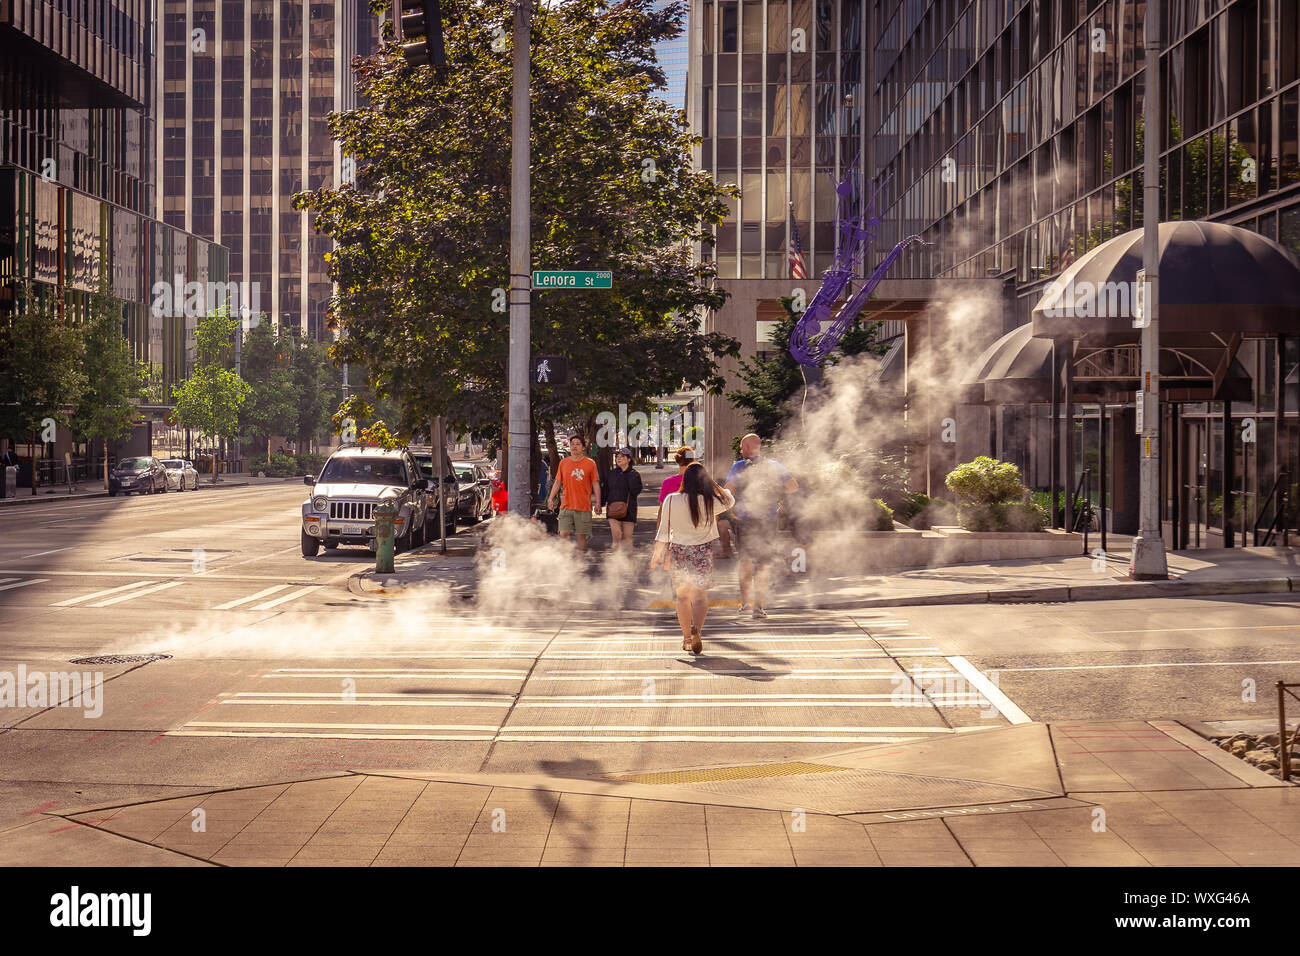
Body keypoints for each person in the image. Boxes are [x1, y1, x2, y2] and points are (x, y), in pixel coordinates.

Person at [651, 461, 734, 654]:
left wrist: (656, 553)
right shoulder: (710, 502)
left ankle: (687, 638)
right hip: (702, 553)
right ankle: (697, 629)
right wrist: (713, 484)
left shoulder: (671, 499)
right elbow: (729, 500)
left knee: (682, 597)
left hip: (679, 552)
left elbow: (663, 531)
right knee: (700, 597)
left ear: (684, 480)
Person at [725, 433, 798, 620]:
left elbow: (729, 490)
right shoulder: (774, 465)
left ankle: (745, 604)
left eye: (742, 447)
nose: (741, 450)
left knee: (745, 561)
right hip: (768, 520)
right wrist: (777, 491)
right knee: (763, 564)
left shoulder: (738, 466)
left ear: (748, 447)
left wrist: (730, 511)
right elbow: (793, 487)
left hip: (745, 520)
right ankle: (758, 606)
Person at [546, 434, 601, 552]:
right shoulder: (563, 463)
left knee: (581, 536)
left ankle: (581, 560)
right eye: (572, 444)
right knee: (564, 533)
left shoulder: (590, 463)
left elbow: (595, 484)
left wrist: (598, 503)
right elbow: (557, 482)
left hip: (583, 506)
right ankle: (568, 559)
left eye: (578, 444)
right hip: (566, 505)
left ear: (583, 448)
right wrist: (550, 498)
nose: (574, 446)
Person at [605, 446, 642, 553]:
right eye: (617, 456)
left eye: (622, 456)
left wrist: (628, 475)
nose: (619, 458)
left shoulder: (634, 474)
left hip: (629, 508)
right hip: (613, 508)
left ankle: (629, 561)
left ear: (629, 459)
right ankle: (616, 560)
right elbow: (606, 489)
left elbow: (636, 491)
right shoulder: (612, 473)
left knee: (627, 538)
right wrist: (600, 504)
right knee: (616, 535)